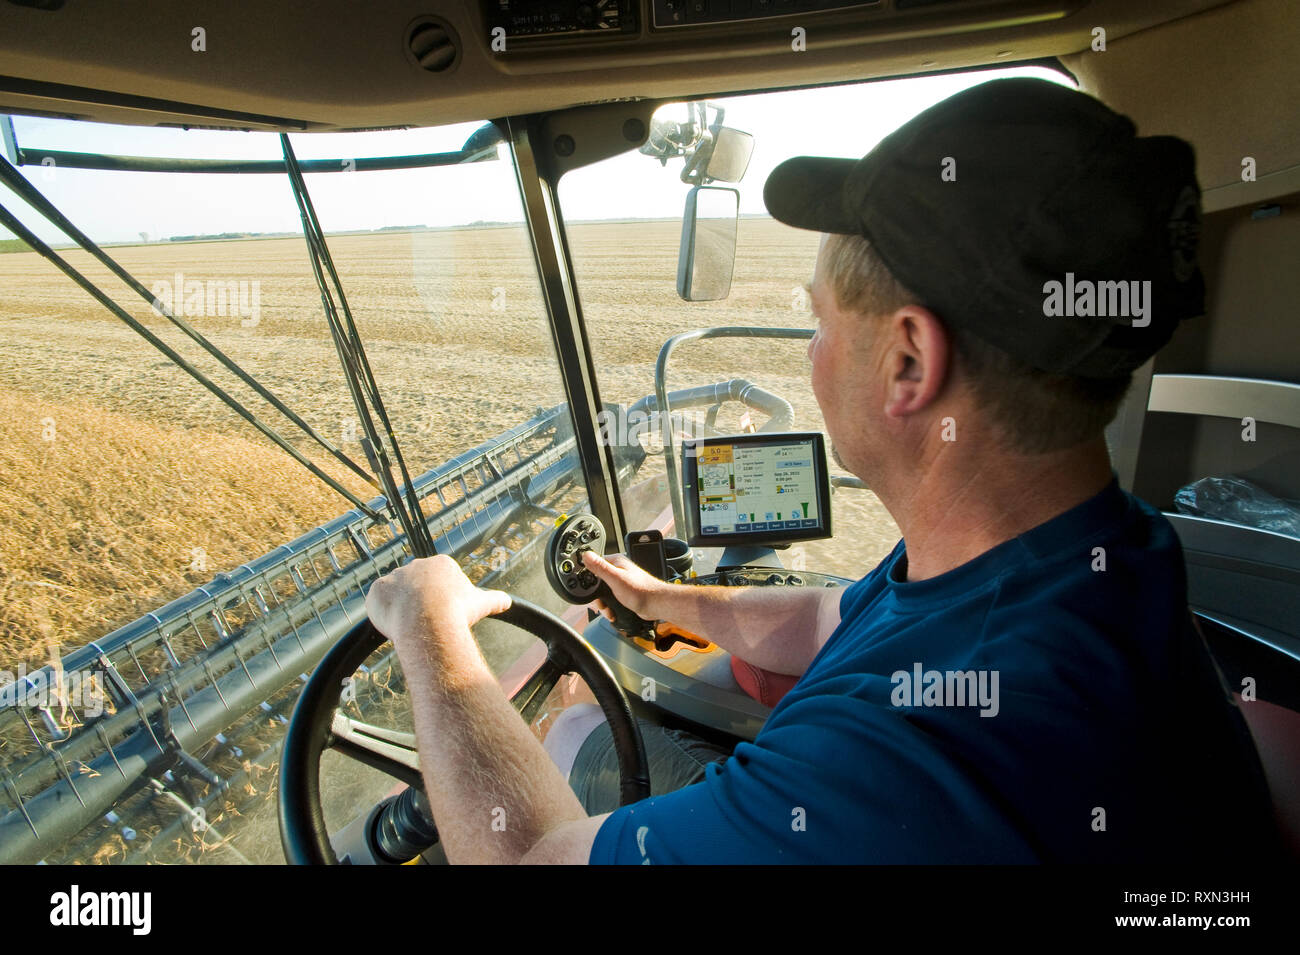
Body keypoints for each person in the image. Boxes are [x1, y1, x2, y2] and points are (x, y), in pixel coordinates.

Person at [364, 78, 1275, 864]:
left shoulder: (894, 758)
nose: (811, 356)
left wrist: (432, 635)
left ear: (910, 362)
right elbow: (823, 615)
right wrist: (662, 599)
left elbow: (527, 856)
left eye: (823, 322)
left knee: (573, 730)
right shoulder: (1094, 548)